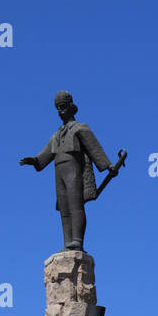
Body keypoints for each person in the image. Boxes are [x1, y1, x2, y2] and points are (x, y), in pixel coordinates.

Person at [20, 92, 120, 251]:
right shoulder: (57, 135)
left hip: (74, 169)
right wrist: (34, 161)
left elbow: (94, 149)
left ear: (71, 107)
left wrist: (108, 166)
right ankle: (67, 242)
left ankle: (77, 240)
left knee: (75, 205)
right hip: (59, 171)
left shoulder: (80, 128)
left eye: (62, 107)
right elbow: (45, 156)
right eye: (57, 109)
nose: (60, 111)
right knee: (64, 208)